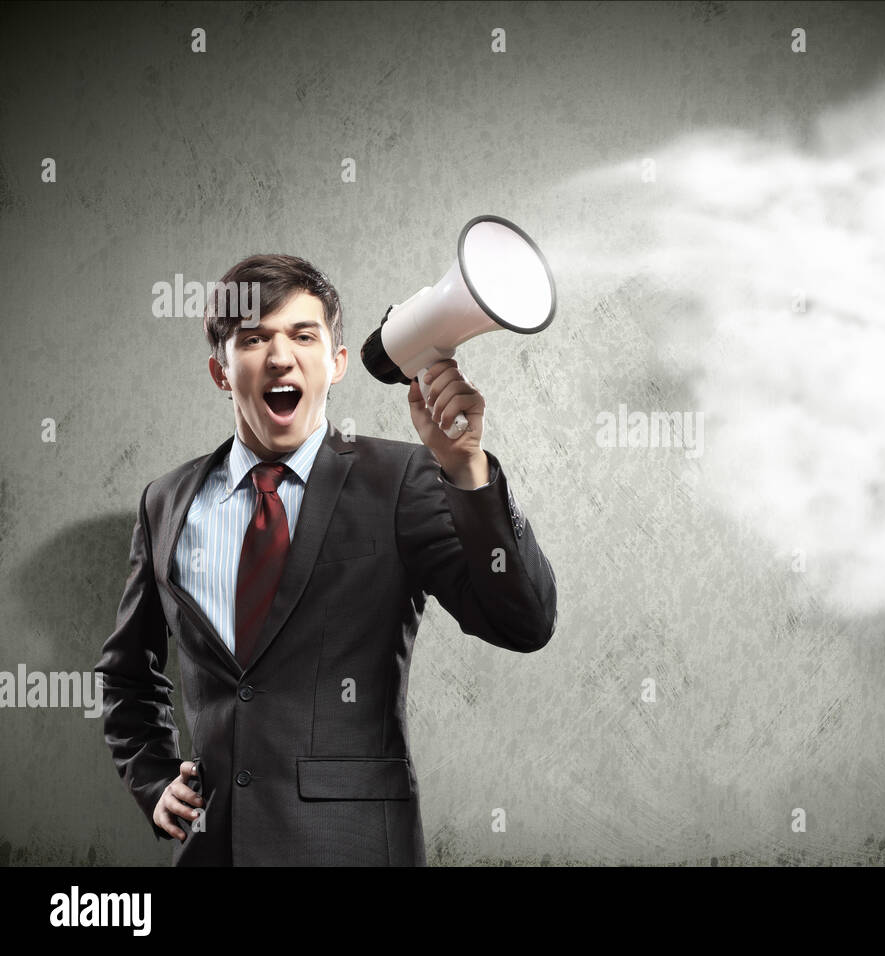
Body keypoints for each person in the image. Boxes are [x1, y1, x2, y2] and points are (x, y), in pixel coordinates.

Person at [95, 254, 557, 865]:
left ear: (336, 363)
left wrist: (467, 470)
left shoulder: (404, 479)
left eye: (303, 335)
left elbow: (524, 623)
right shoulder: (166, 502)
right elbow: (127, 675)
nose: (280, 356)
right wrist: (154, 781)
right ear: (221, 371)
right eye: (254, 338)